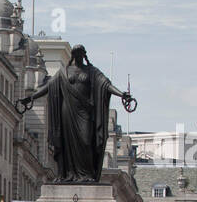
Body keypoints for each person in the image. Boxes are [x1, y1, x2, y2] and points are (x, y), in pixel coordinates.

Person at [16, 44, 135, 184]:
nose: (78, 56)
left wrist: (122, 95)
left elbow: (105, 85)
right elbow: (48, 87)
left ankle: (87, 174)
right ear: (73, 55)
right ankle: (68, 174)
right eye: (76, 53)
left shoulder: (92, 71)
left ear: (84, 55)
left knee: (85, 141)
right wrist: (31, 98)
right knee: (67, 144)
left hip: (84, 112)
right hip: (68, 112)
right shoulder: (64, 72)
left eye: (80, 53)